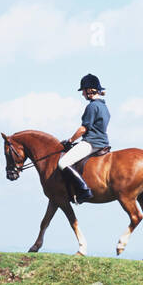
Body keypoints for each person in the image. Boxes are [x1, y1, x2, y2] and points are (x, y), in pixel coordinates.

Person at [60, 74, 110, 202]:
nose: (82, 94)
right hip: (102, 142)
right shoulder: (104, 106)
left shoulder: (92, 106)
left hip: (91, 143)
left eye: (83, 90)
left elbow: (83, 129)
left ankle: (83, 190)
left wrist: (70, 141)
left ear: (89, 90)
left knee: (62, 162)